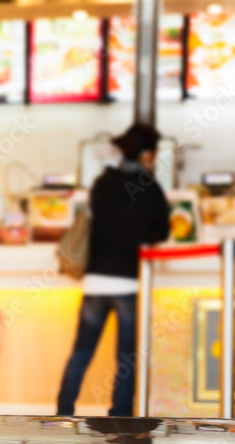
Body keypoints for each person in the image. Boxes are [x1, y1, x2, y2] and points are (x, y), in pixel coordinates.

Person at [56, 123, 170, 417]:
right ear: (146, 154)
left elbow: (97, 219)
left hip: (96, 280)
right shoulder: (151, 189)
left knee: (81, 352)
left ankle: (62, 412)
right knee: (126, 358)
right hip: (128, 283)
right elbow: (162, 231)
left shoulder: (102, 184)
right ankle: (119, 416)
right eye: (154, 153)